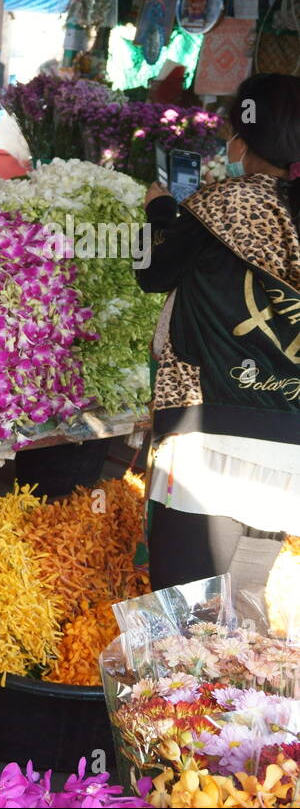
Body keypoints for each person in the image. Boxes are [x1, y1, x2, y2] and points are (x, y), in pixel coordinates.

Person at [138, 73, 300, 591]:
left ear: (243, 141)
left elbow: (150, 272)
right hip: (288, 446)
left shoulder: (221, 203)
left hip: (209, 435)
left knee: (183, 612)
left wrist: (155, 215)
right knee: (240, 613)